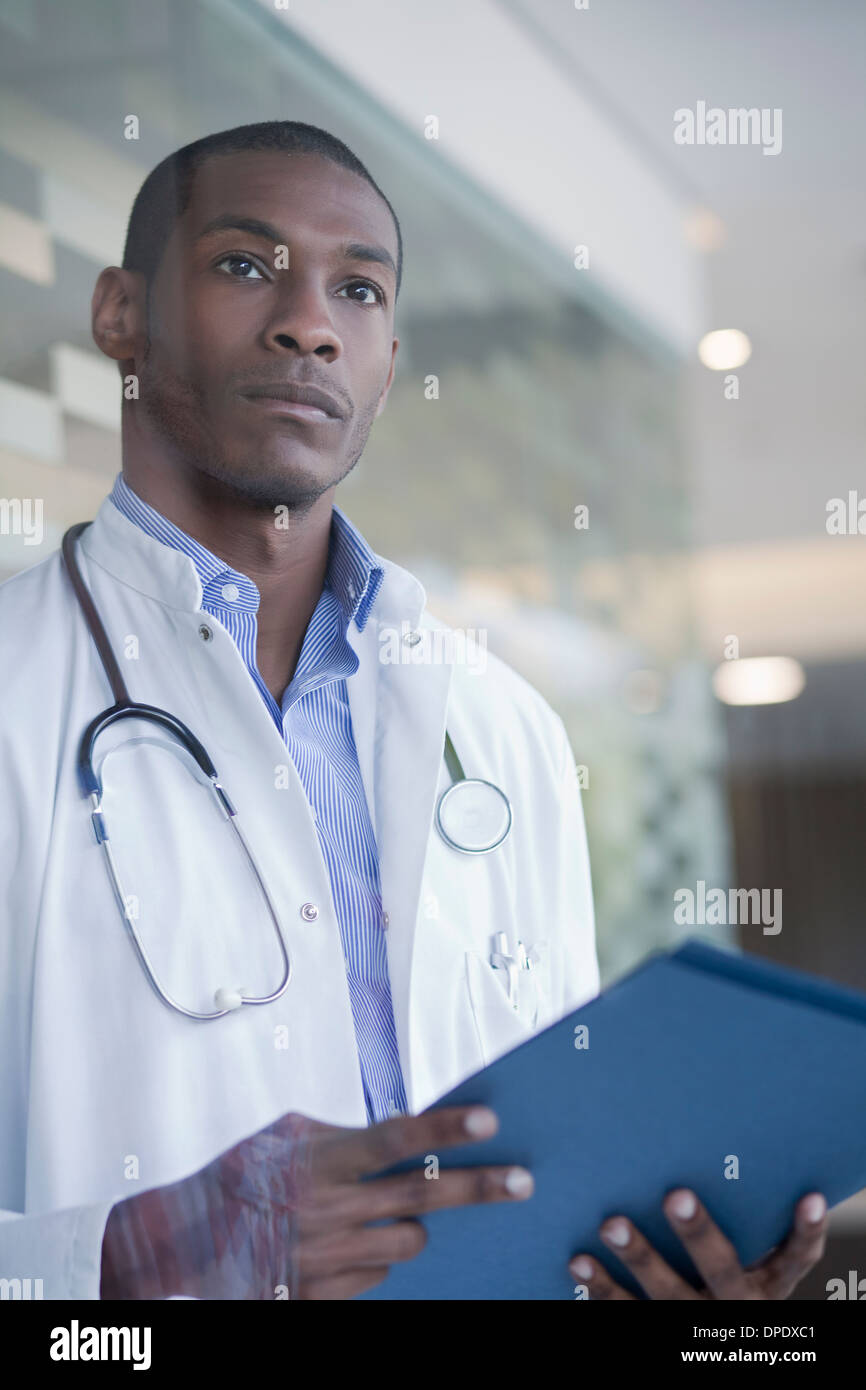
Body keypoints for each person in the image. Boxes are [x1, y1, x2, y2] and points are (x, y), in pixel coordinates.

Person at [0, 122, 826, 1300]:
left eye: (358, 288)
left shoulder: (505, 729)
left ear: (387, 362)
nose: (309, 321)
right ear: (120, 314)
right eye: (245, 264)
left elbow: (544, 1182)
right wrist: (121, 1259)